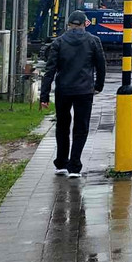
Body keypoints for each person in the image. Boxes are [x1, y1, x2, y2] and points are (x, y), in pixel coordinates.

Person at [39, 10, 105, 178]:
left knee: (62, 126)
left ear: (68, 24)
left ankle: (61, 163)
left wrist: (44, 96)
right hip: (84, 91)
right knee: (81, 127)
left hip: (63, 90)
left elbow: (50, 70)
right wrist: (98, 86)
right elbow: (101, 66)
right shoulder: (93, 41)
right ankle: (75, 166)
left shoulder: (59, 42)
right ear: (84, 24)